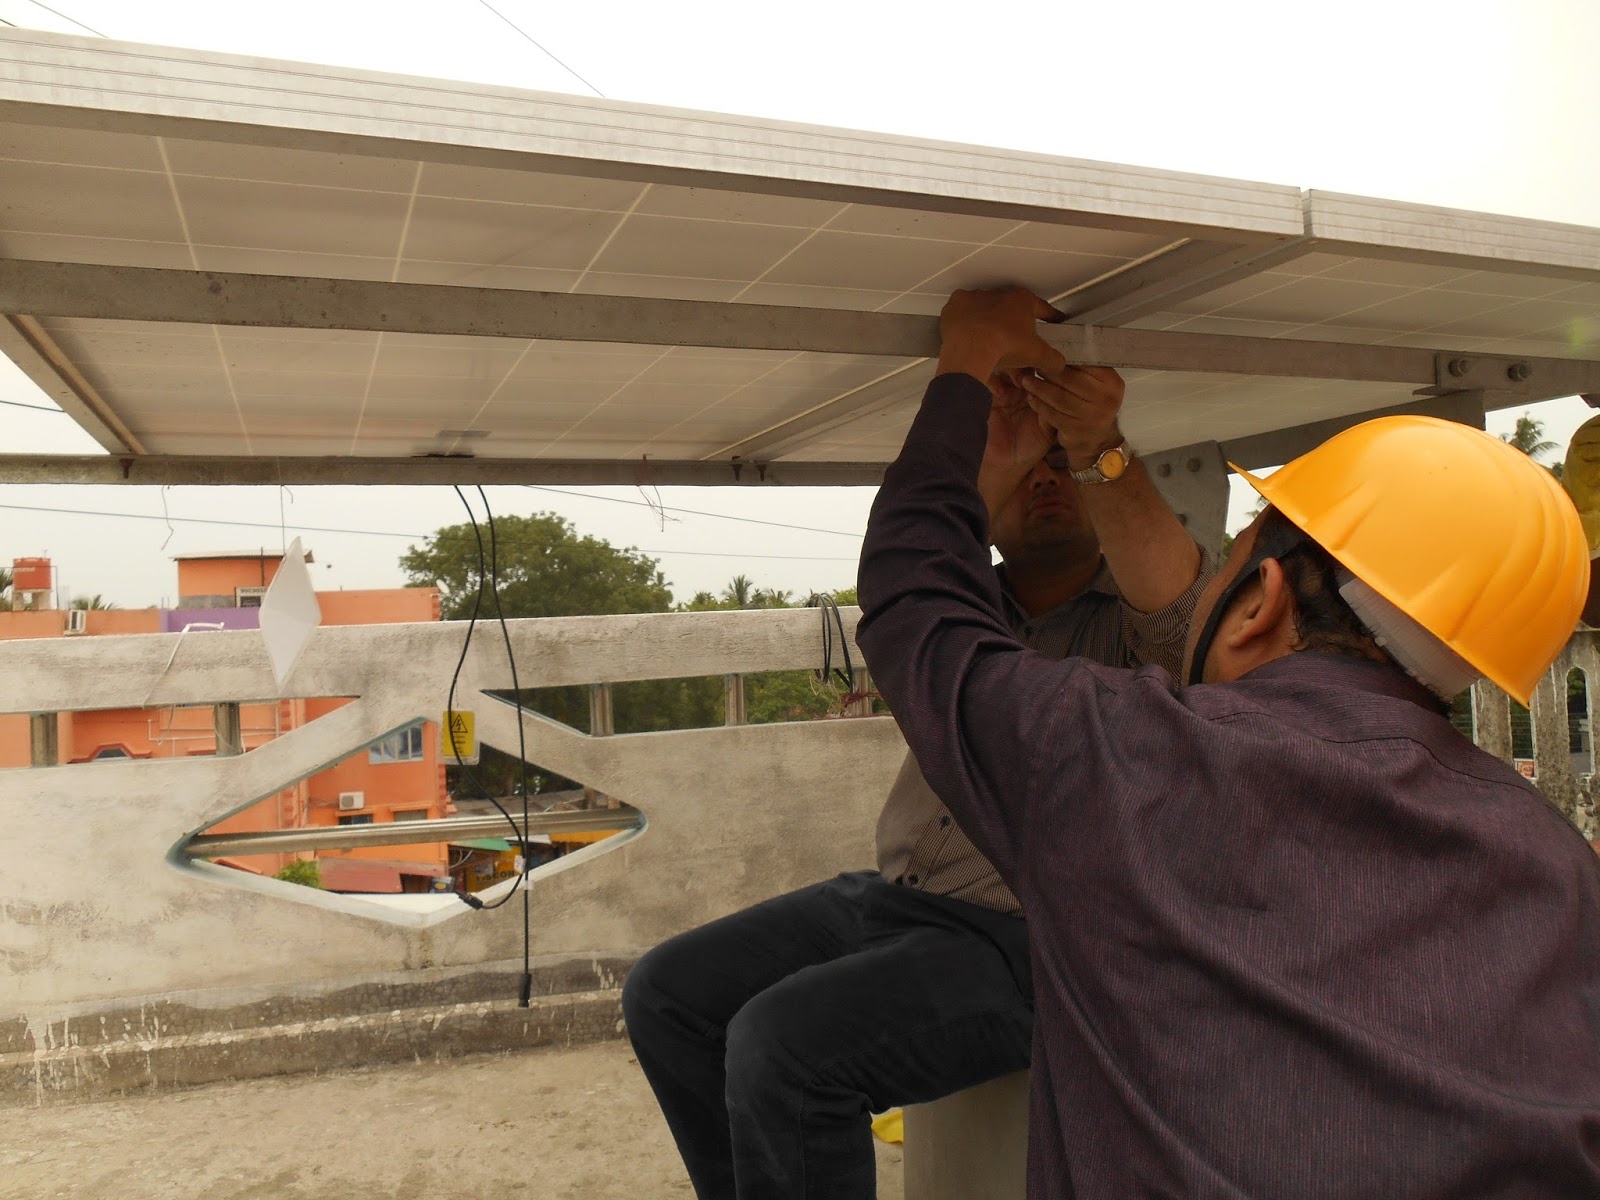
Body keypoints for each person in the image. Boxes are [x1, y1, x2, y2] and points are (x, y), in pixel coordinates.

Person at [855, 287, 1600, 1198]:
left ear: (1263, 600)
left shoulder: (1122, 764)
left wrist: (969, 359)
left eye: (1237, 548)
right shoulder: (1557, 864)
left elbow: (914, 600)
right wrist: (1098, 450)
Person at [622, 352, 1211, 1197]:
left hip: (1043, 938)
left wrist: (1099, 447)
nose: (1047, 483)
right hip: (898, 898)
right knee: (669, 994)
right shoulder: (959, 608)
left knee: (783, 1045)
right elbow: (912, 557)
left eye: (1064, 470)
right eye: (1025, 471)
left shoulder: (1146, 620)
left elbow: (1184, 619)